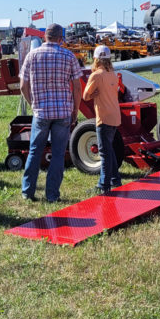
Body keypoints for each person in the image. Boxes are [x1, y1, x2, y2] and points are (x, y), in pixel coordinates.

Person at [20, 23, 82, 202]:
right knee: (58, 154)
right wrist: (75, 109)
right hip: (62, 112)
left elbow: (23, 85)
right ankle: (52, 194)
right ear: (60, 38)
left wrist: (32, 103)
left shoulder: (32, 55)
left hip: (41, 112)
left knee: (34, 151)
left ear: (44, 37)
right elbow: (77, 87)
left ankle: (28, 191)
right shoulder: (68, 56)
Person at [82, 45, 122, 193]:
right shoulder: (113, 74)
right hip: (115, 116)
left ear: (96, 59)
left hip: (104, 117)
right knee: (109, 150)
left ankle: (103, 185)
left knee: (104, 153)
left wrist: (93, 95)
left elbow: (85, 96)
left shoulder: (96, 75)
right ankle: (115, 180)